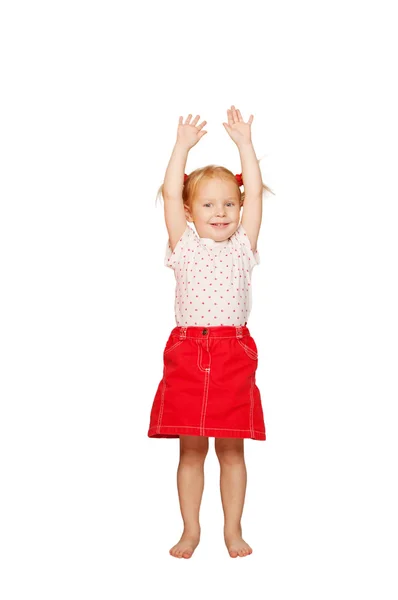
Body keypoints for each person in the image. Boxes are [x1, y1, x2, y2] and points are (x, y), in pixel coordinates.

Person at [148, 105, 274, 559]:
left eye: (229, 203)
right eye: (208, 204)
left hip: (231, 353)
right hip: (187, 351)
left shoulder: (244, 245)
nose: (220, 212)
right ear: (189, 210)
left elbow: (257, 195)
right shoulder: (182, 245)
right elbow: (167, 192)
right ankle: (190, 530)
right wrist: (182, 146)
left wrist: (245, 143)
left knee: (233, 452)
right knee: (190, 452)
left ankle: (233, 530)